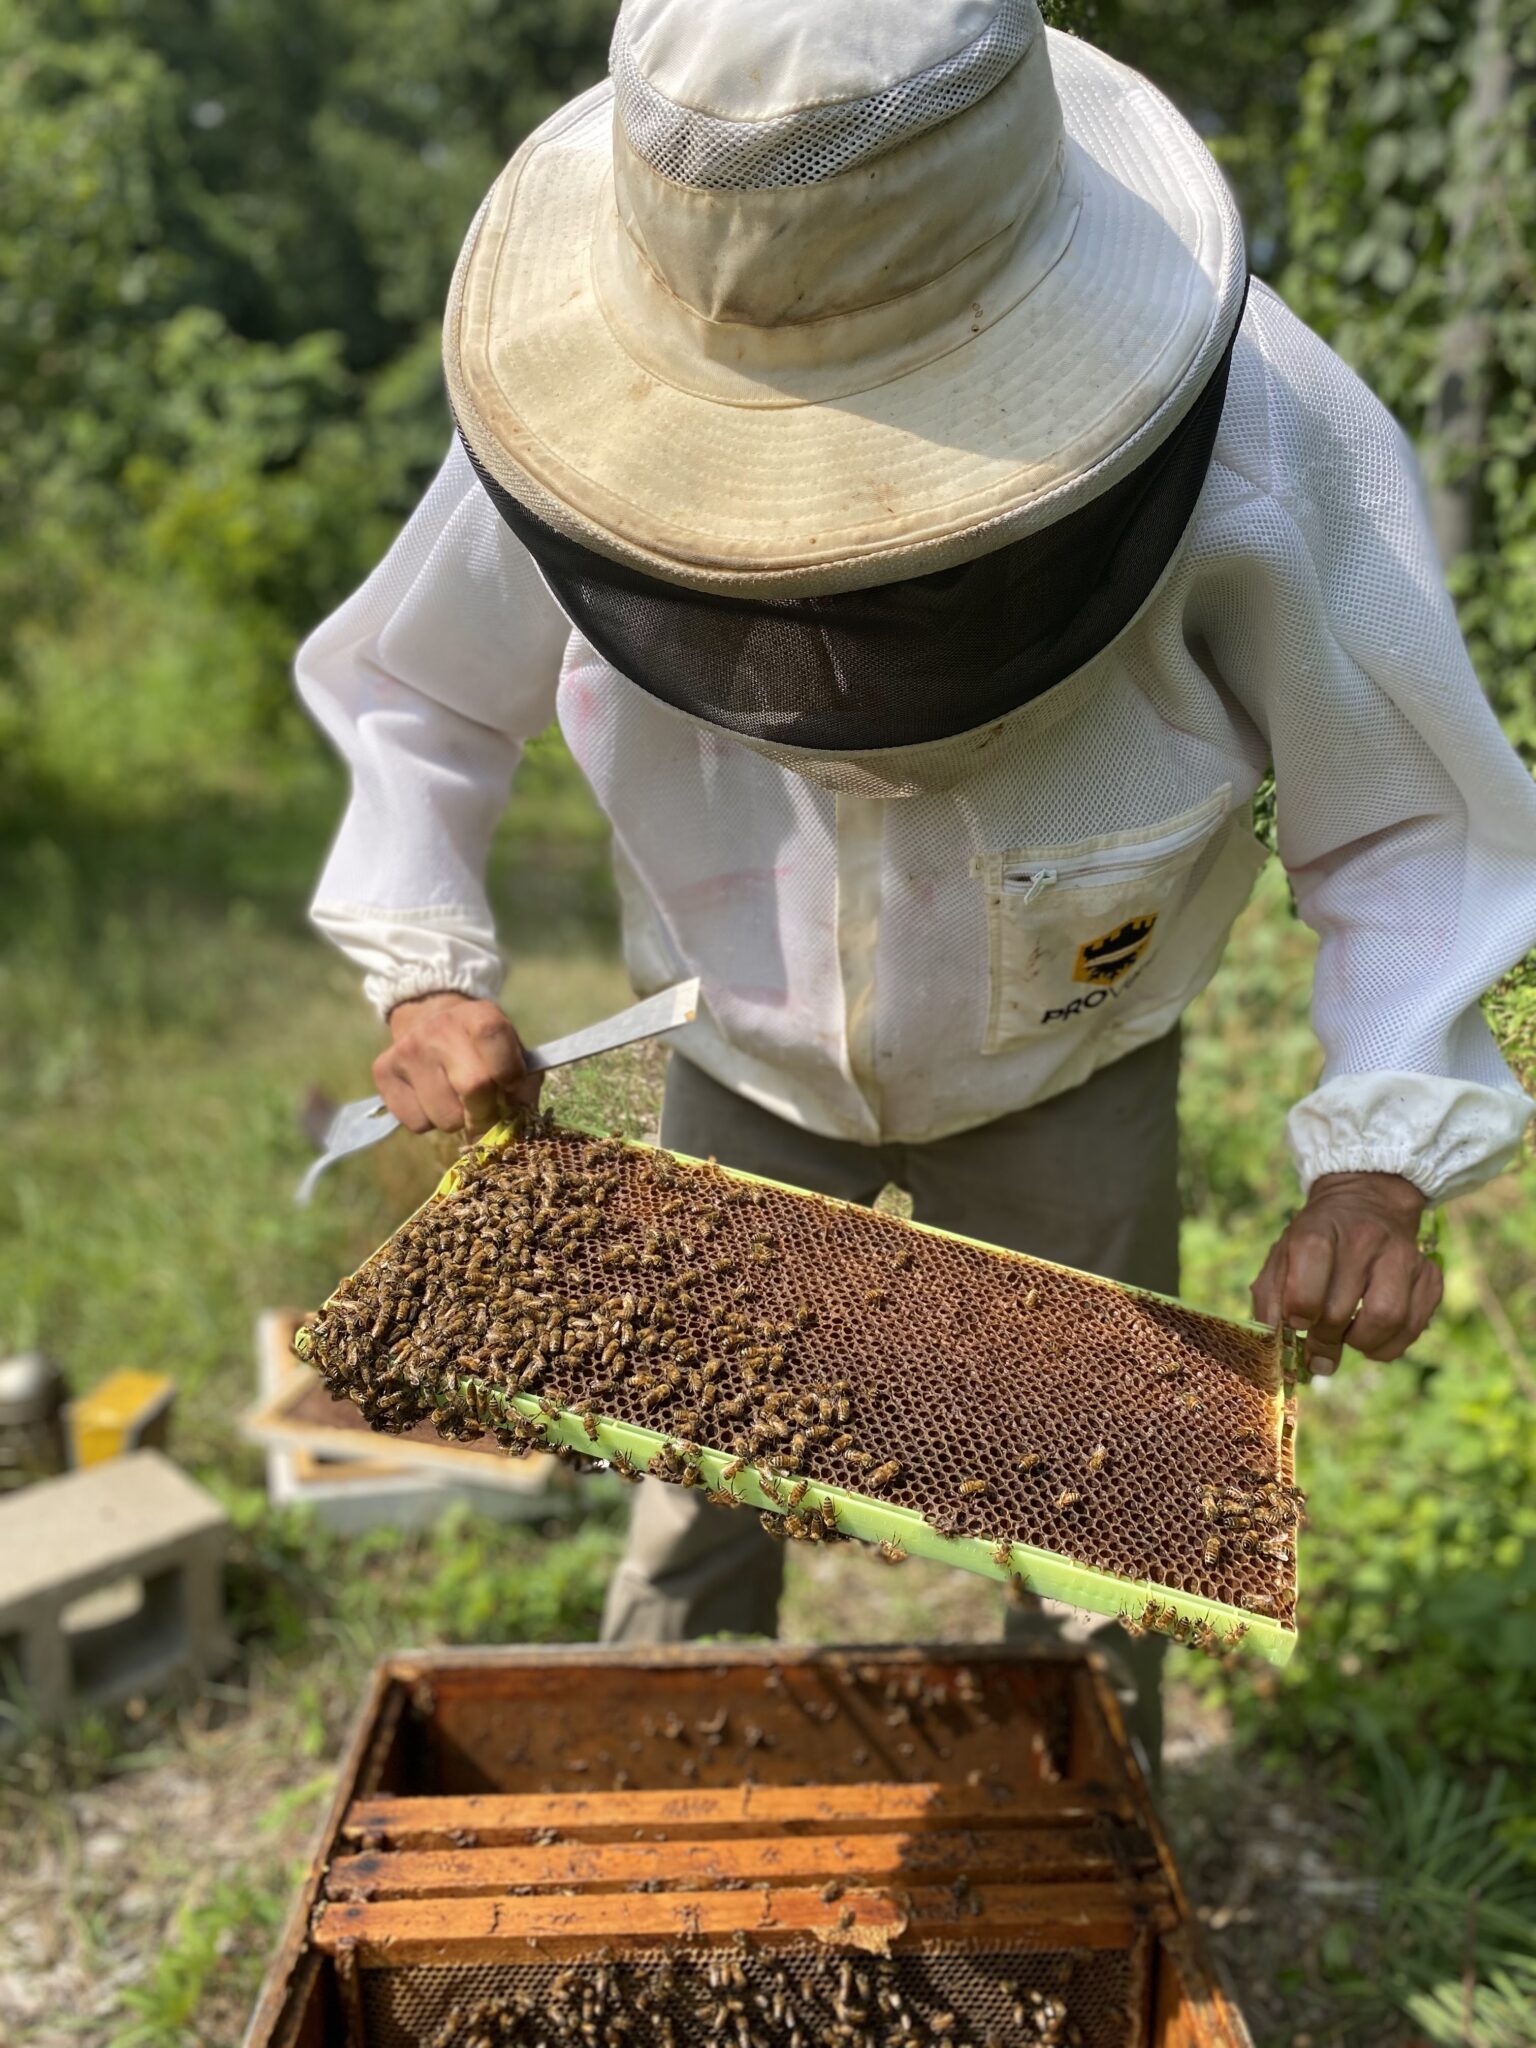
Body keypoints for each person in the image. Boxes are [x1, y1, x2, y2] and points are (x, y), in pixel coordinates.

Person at [294, 0, 1536, 1771]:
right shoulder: (566, 408)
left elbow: (1415, 815)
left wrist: (1381, 1163)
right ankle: (665, 1830)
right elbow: (413, 689)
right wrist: (420, 964)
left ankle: (1106, 1841)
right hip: (737, 1062)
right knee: (688, 1498)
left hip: (1071, 1081)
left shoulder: (1262, 426)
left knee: (1111, 1528)